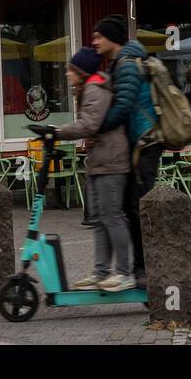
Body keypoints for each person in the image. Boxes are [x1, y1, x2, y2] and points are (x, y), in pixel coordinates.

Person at [52, 48, 132, 292]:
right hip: (99, 161)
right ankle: (100, 272)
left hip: (111, 160)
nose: (66, 74)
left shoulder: (95, 88)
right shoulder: (88, 89)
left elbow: (90, 124)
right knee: (98, 218)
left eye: (70, 70)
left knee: (112, 216)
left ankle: (124, 272)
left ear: (81, 72)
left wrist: (57, 132)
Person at [93, 14, 160, 286]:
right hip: (138, 144)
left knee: (136, 207)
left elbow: (123, 106)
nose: (95, 41)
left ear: (112, 38)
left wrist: (95, 128)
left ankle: (143, 271)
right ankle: (134, 270)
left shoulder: (127, 65)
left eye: (99, 36)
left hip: (144, 143)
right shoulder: (125, 63)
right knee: (127, 207)